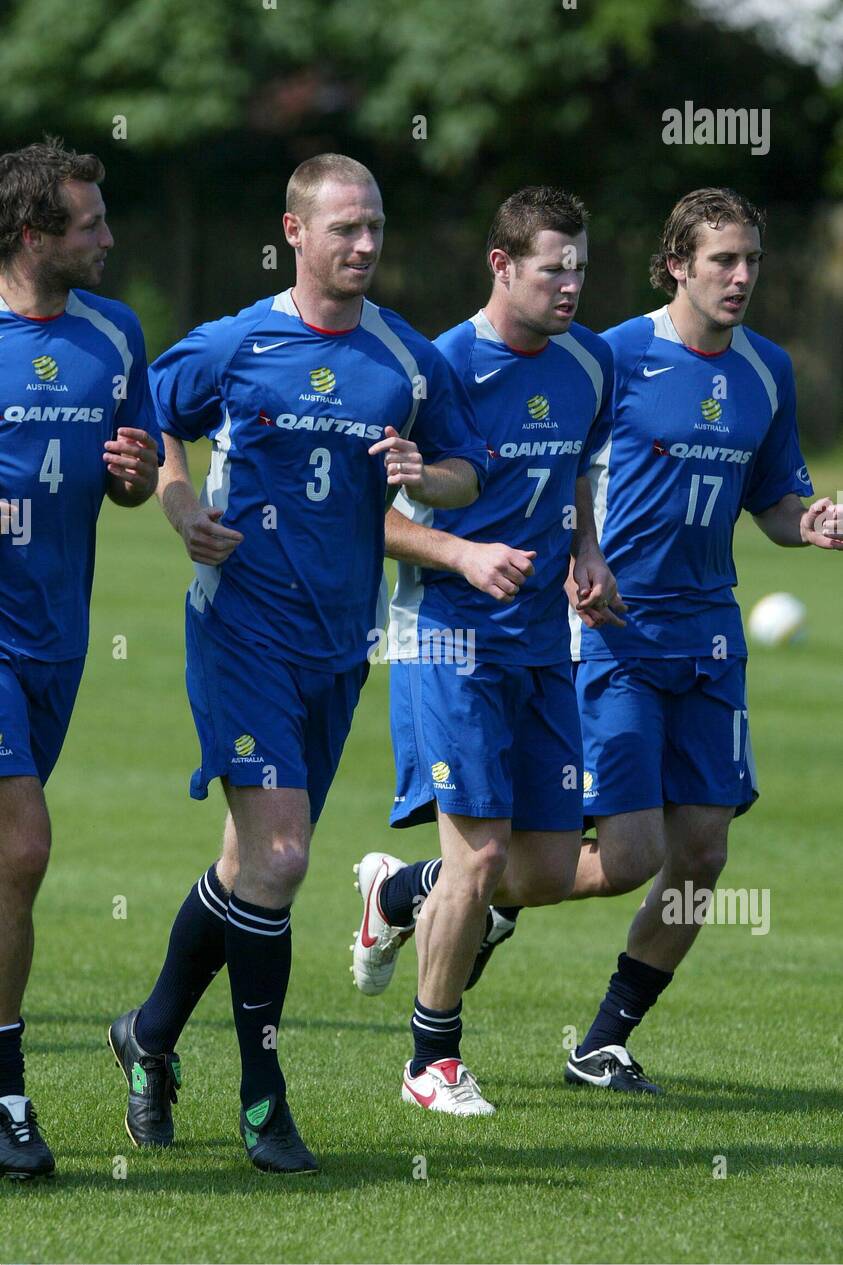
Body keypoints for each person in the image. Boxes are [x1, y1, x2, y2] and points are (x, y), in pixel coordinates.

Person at [109, 154, 488, 1172]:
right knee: (280, 859)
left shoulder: (408, 361)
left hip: (339, 644)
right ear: (293, 231)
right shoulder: (237, 341)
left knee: (250, 869)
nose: (363, 245)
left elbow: (462, 467)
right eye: (344, 228)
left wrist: (427, 475)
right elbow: (153, 415)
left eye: (374, 227)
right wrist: (181, 503)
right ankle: (263, 1099)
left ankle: (147, 1031)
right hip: (239, 629)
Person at [446, 187, 842, 1094]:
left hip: (708, 638)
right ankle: (430, 893)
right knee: (625, 858)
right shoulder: (608, 356)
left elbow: (774, 503)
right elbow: (554, 463)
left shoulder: (767, 370)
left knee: (700, 855)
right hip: (611, 634)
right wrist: (572, 555)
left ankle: (603, 1043)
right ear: (676, 265)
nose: (741, 277)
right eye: (721, 261)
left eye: (751, 260)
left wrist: (808, 522)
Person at [351, 186, 621, 1115]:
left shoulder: (589, 364)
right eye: (554, 267)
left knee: (542, 869)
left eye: (581, 266)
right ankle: (432, 1063)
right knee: (480, 854)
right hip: (446, 637)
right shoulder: (434, 368)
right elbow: (367, 518)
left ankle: (395, 896)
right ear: (501, 266)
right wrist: (462, 551)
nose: (572, 285)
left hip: (544, 641)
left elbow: (576, 469)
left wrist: (584, 549)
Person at [0, 137, 162, 1179]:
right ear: (32, 236)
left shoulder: (117, 333)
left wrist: (136, 470)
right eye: (90, 223)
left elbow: (133, 484)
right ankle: (10, 1092)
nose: (108, 236)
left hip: (55, 635)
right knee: (22, 847)